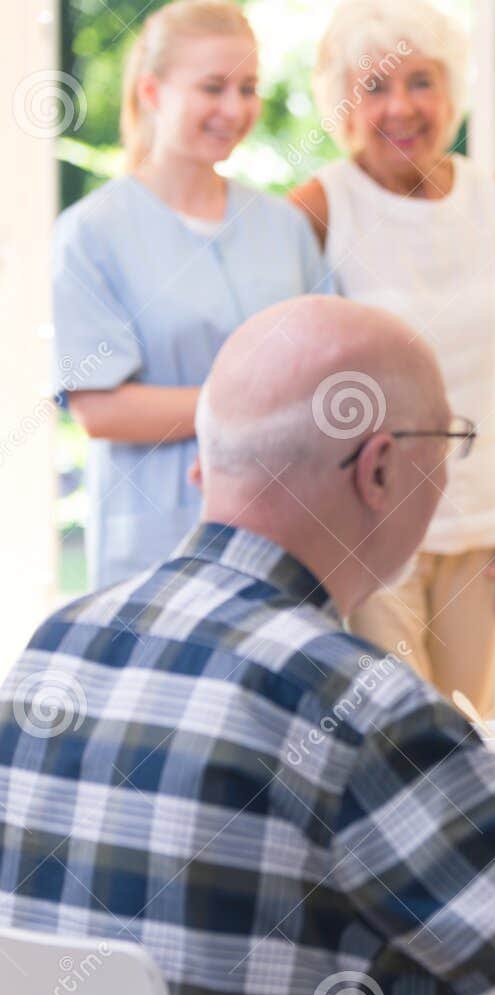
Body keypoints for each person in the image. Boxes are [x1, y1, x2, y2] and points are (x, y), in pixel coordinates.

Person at [0, 296, 495, 995]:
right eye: (449, 445)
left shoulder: (57, 647)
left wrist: (468, 839)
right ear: (380, 469)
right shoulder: (365, 708)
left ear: (206, 463)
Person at [288, 0, 495, 716]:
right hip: (371, 532)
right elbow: (294, 387)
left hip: (484, 518)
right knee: (397, 739)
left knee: (470, 733)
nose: (401, 106)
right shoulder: (318, 207)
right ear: (345, 102)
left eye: (421, 81)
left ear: (452, 89)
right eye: (375, 86)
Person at [53, 0, 331, 588]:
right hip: (156, 546)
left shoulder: (281, 225)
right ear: (152, 92)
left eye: (248, 88)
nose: (235, 109)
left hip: (287, 534)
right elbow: (99, 409)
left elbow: (330, 364)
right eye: (212, 87)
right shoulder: (93, 232)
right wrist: (252, 407)